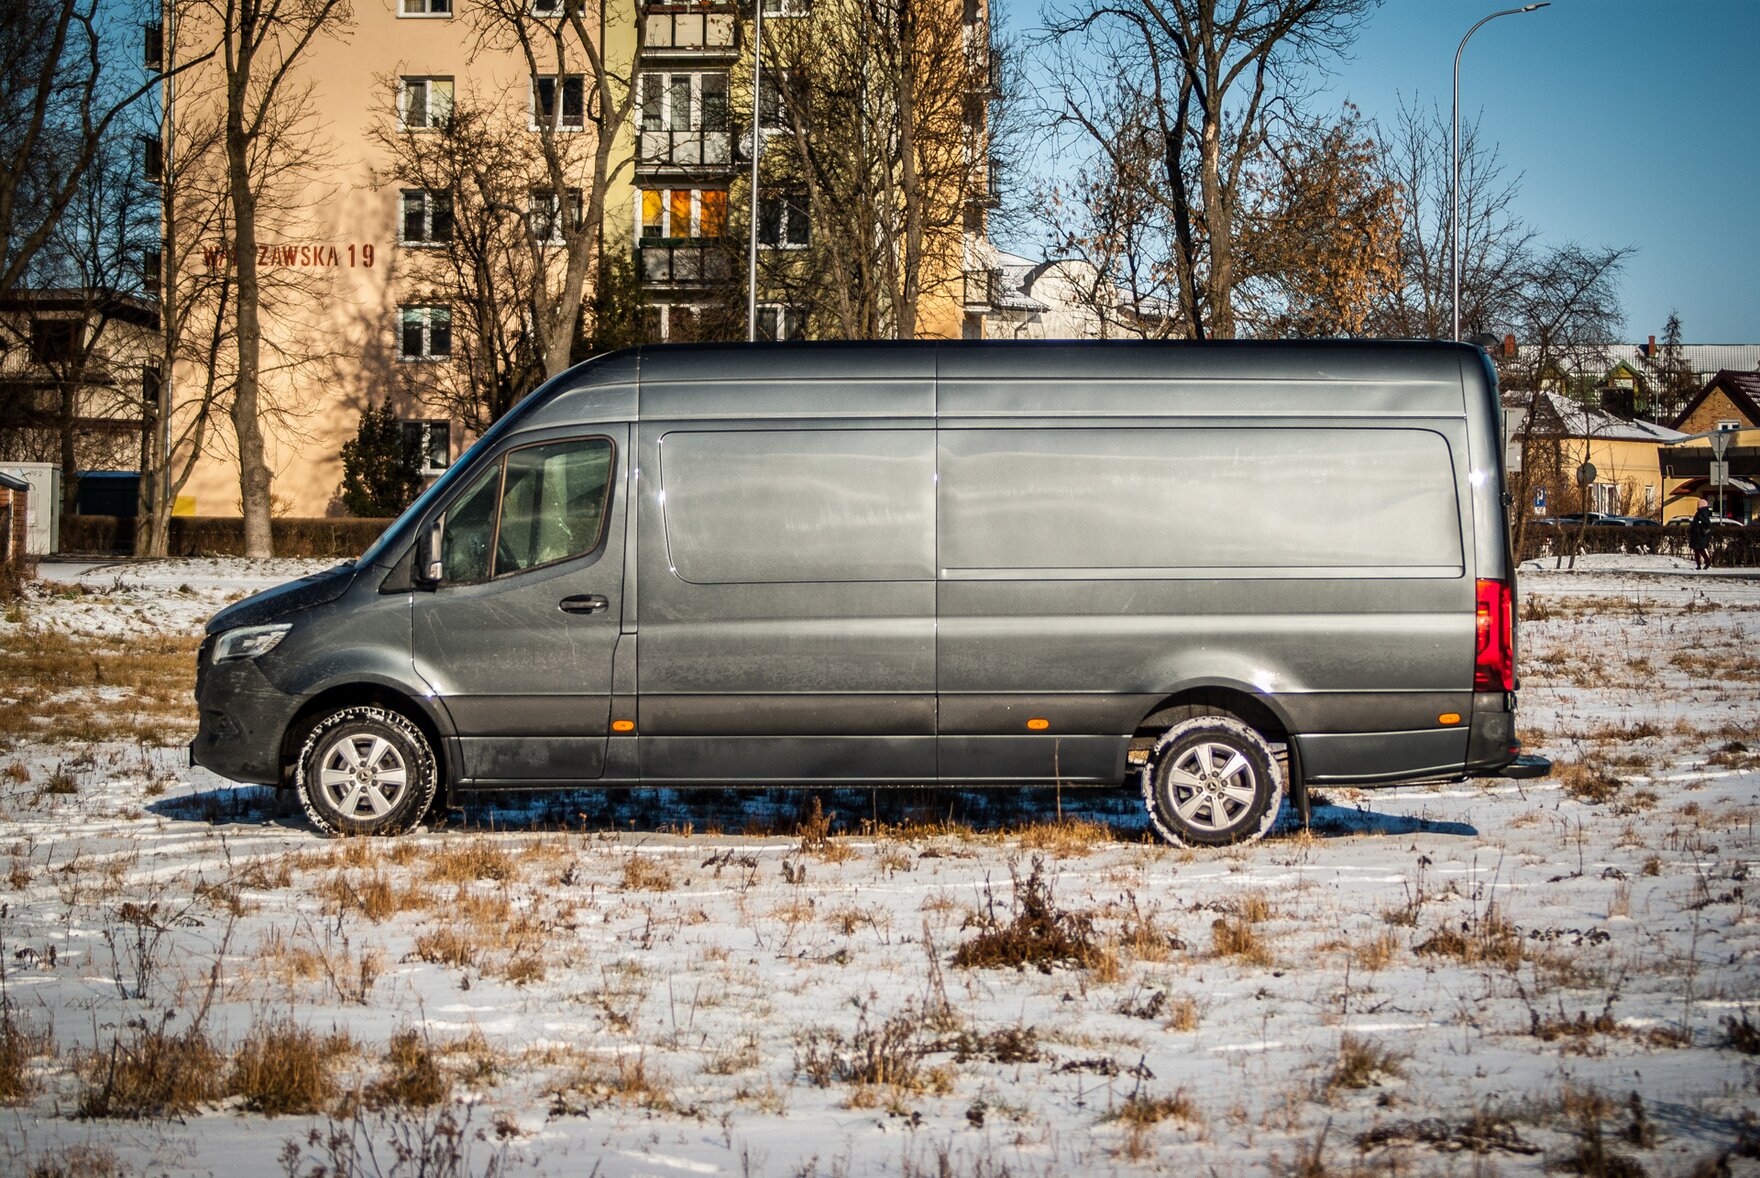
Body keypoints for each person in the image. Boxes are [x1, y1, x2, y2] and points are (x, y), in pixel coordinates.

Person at [1689, 497, 1714, 570]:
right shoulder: (1700, 512)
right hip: (1697, 534)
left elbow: (1706, 522)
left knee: (1699, 549)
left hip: (1700, 534)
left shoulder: (1702, 512)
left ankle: (1707, 561)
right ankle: (1699, 565)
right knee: (1697, 550)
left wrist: (1700, 520)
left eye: (1698, 504)